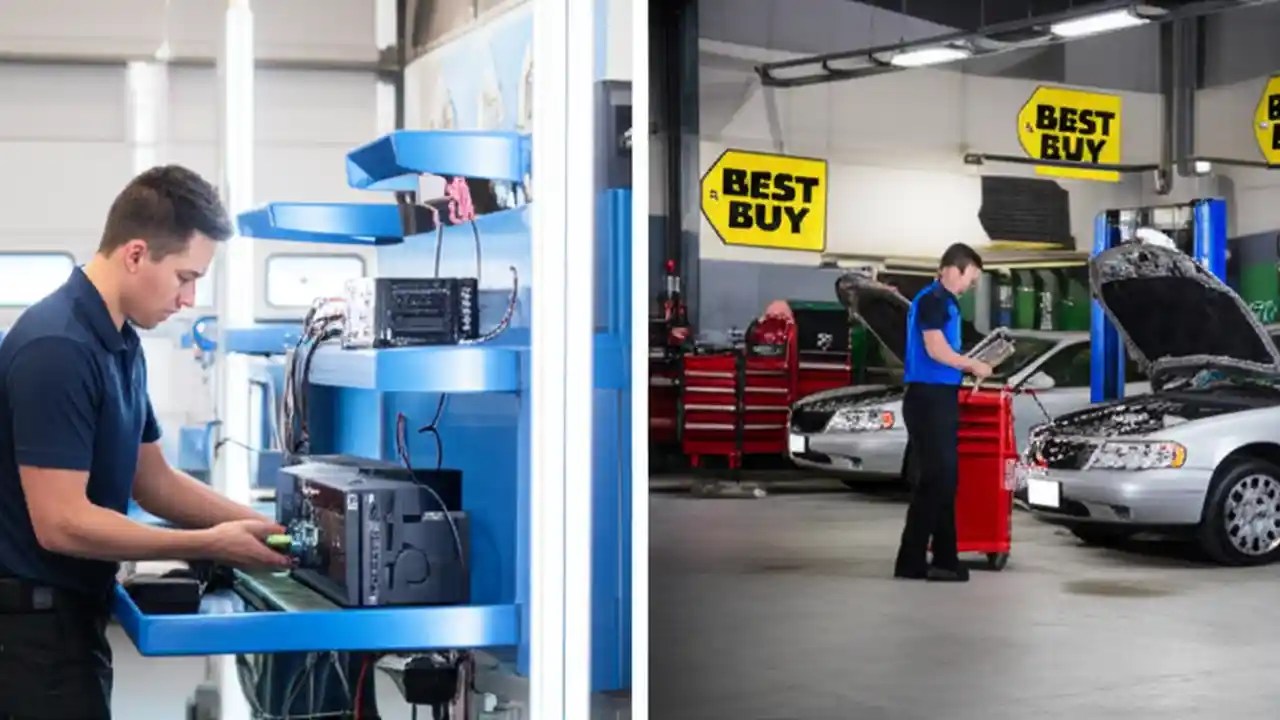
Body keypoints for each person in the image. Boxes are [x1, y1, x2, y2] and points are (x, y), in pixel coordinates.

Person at [0, 165, 293, 719]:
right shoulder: (57, 347)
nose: (189, 298)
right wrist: (208, 543)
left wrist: (270, 532)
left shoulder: (119, 343)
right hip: (28, 641)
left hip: (70, 621)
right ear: (135, 254)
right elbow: (60, 521)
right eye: (185, 277)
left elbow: (153, 481)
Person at [893, 243, 992, 583]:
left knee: (942, 481)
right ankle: (911, 561)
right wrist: (973, 364)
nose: (971, 285)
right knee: (937, 481)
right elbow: (936, 350)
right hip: (928, 400)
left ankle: (946, 559)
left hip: (938, 398)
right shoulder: (933, 300)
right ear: (956, 269)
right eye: (972, 277)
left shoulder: (943, 302)